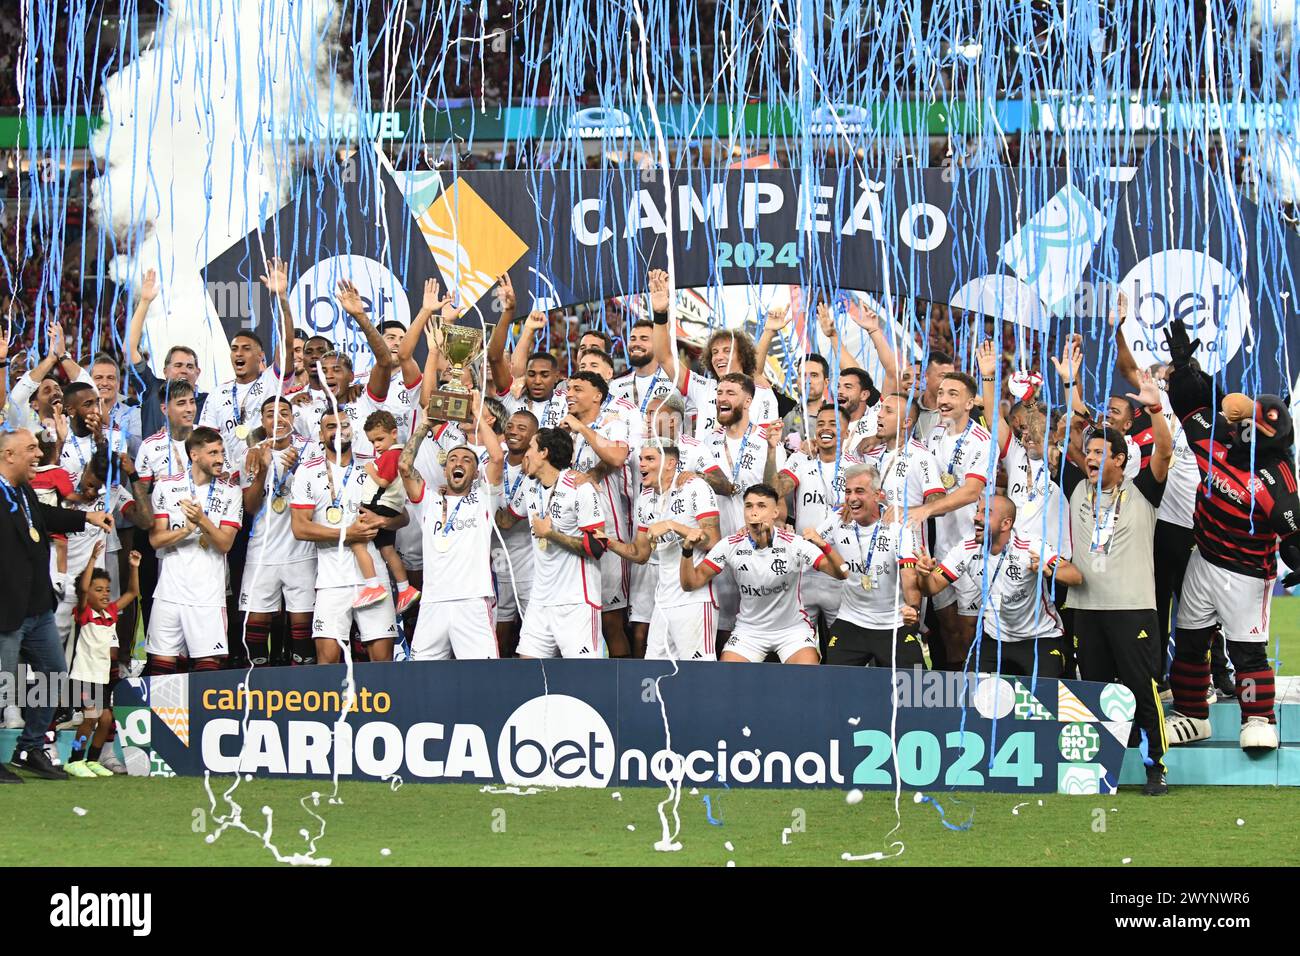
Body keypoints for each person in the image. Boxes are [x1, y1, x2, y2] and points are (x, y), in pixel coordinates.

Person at [1161, 321, 1300, 752]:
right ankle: (1191, 715)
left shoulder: (1278, 480)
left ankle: (1258, 717)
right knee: (1189, 640)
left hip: (1245, 571)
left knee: (1247, 651)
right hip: (1203, 557)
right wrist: (1185, 367)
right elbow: (1188, 403)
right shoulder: (1212, 438)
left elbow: (1294, 532)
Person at [1063, 387, 1172, 795]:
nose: (1090, 458)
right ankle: (1097, 768)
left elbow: (1163, 450)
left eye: (1099, 453)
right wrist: (1072, 384)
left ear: (1120, 460)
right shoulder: (1077, 489)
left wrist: (1156, 407)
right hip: (1087, 609)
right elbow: (1068, 434)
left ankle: (1155, 767)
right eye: (1088, 452)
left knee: (1141, 689)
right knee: (1094, 690)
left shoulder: (1143, 491)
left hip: (1132, 608)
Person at [0, 427, 113, 783]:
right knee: (3, 685)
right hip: (6, 610)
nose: (39, 453)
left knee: (53, 677)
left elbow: (47, 520)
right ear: (9, 455)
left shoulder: (23, 491)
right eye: (31, 448)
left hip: (37, 608)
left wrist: (86, 518)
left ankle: (30, 748)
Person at [917, 494, 1081, 678]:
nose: (976, 517)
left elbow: (1075, 576)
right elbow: (930, 588)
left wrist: (1049, 571)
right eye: (978, 511)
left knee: (1043, 695)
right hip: (994, 637)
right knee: (971, 690)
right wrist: (923, 575)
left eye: (986, 513)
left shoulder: (1030, 545)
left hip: (1039, 637)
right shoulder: (966, 548)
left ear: (1006, 524)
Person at [681, 483, 846, 664]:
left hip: (792, 631)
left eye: (761, 506)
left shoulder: (794, 543)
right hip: (749, 632)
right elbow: (690, 583)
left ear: (775, 512)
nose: (754, 512)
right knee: (727, 678)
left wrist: (824, 545)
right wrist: (687, 551)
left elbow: (842, 573)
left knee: (806, 676)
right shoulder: (730, 545)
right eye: (749, 506)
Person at [290, 407, 405, 664]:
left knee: (382, 663)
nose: (339, 431)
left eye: (344, 425)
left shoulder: (372, 465)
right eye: (331, 426)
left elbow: (403, 517)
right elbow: (299, 528)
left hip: (374, 579)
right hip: (332, 580)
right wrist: (347, 533)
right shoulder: (307, 471)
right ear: (320, 435)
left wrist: (382, 520)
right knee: (327, 662)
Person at [399, 397, 506, 659]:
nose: (458, 463)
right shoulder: (429, 500)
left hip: (473, 602)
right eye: (453, 459)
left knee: (482, 673)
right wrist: (424, 425)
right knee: (422, 677)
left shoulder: (484, 499)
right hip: (432, 602)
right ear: (445, 469)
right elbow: (404, 466)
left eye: (466, 460)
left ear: (475, 471)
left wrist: (475, 414)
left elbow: (496, 456)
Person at [603, 439, 722, 660]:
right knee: (655, 670)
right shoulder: (645, 499)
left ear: (670, 463)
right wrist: (608, 542)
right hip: (663, 601)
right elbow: (640, 554)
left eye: (650, 459)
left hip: (694, 600)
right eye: (641, 459)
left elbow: (713, 539)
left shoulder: (694, 487)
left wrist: (672, 525)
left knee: (699, 675)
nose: (642, 465)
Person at [693, 373, 785, 645]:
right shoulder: (707, 442)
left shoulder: (767, 438)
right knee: (722, 624)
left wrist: (770, 450)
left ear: (747, 401)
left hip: (757, 546)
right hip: (719, 545)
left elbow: (774, 491)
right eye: (719, 392)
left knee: (761, 620)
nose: (721, 398)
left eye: (730, 393)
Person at [912, 371, 995, 669]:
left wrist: (927, 510)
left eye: (952, 394)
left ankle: (972, 698)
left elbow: (972, 492)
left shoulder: (982, 441)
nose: (943, 400)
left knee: (968, 631)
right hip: (939, 547)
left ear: (970, 402)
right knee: (947, 631)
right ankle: (951, 692)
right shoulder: (932, 434)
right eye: (942, 392)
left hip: (971, 547)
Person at [145, 426, 244, 674]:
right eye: (213, 453)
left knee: (207, 675)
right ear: (194, 455)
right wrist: (185, 531)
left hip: (208, 597)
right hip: (168, 592)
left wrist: (201, 520)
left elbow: (225, 544)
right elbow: (156, 540)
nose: (220, 458)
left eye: (221, 452)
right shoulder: (166, 486)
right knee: (160, 670)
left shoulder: (231, 492)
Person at [507, 427, 608, 659]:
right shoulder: (529, 486)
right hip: (540, 600)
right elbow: (506, 520)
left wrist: (551, 535)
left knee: (582, 679)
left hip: (576, 603)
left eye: (530, 448)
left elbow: (597, 547)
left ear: (544, 452)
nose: (525, 455)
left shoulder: (579, 487)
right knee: (528, 674)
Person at [819, 463, 925, 668]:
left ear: (878, 495)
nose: (852, 498)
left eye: (860, 491)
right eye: (848, 492)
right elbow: (808, 545)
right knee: (831, 684)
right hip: (851, 621)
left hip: (893, 622)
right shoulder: (838, 519)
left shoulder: (898, 526)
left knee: (917, 687)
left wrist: (913, 609)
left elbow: (909, 576)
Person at [198, 257, 299, 467]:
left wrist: (281, 297)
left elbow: (287, 342)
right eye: (234, 349)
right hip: (231, 478)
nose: (238, 354)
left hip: (272, 469)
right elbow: (206, 440)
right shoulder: (217, 394)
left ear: (261, 355)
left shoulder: (273, 381)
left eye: (246, 349)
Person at [774, 404, 862, 645]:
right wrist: (773, 450)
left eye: (833, 424)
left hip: (842, 569)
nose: (825, 428)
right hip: (807, 568)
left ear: (847, 431)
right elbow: (776, 489)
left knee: (844, 647)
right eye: (820, 424)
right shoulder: (801, 462)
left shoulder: (859, 469)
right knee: (797, 643)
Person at [237, 395, 314, 666]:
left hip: (301, 552)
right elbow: (250, 506)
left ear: (293, 418)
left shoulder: (311, 451)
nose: (278, 419)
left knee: (302, 640)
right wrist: (262, 471)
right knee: (256, 640)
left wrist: (298, 469)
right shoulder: (252, 454)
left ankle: (303, 698)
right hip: (262, 552)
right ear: (262, 421)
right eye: (271, 414)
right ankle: (258, 699)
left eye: (284, 412)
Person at [560, 370, 632, 655]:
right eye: (568, 389)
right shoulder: (563, 430)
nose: (569, 394)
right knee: (577, 616)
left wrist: (583, 429)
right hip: (570, 535)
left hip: (608, 532)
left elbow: (616, 457)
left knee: (610, 619)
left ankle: (618, 690)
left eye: (577, 389)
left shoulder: (613, 422)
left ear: (597, 396)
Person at [64, 543, 140, 777]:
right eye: (99, 590)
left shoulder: (111, 614)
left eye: (107, 589)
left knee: (106, 720)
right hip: (83, 677)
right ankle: (74, 759)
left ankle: (92, 760)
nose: (105, 594)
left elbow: (132, 593)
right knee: (91, 717)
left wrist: (134, 568)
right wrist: (92, 560)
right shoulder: (85, 614)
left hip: (101, 678)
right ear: (88, 594)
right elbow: (84, 588)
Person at [349, 410, 420, 611]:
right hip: (390, 507)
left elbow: (384, 480)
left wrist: (370, 469)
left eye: (380, 439)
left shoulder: (391, 455)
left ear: (394, 433)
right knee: (387, 550)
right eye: (372, 442)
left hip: (378, 505)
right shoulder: (396, 454)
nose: (376, 445)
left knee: (356, 541)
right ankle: (405, 588)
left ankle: (373, 585)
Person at [126, 268, 208, 437]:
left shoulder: (209, 402)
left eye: (189, 366)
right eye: (177, 365)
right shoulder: (151, 389)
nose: (184, 370)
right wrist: (144, 302)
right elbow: (129, 349)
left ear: (198, 372)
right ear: (165, 371)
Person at [491, 409, 539, 657]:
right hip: (496, 560)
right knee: (501, 632)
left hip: (528, 563)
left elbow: (506, 520)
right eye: (510, 426)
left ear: (534, 436)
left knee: (533, 631)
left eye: (522, 428)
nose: (513, 431)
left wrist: (489, 510)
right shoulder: (490, 462)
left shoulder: (536, 470)